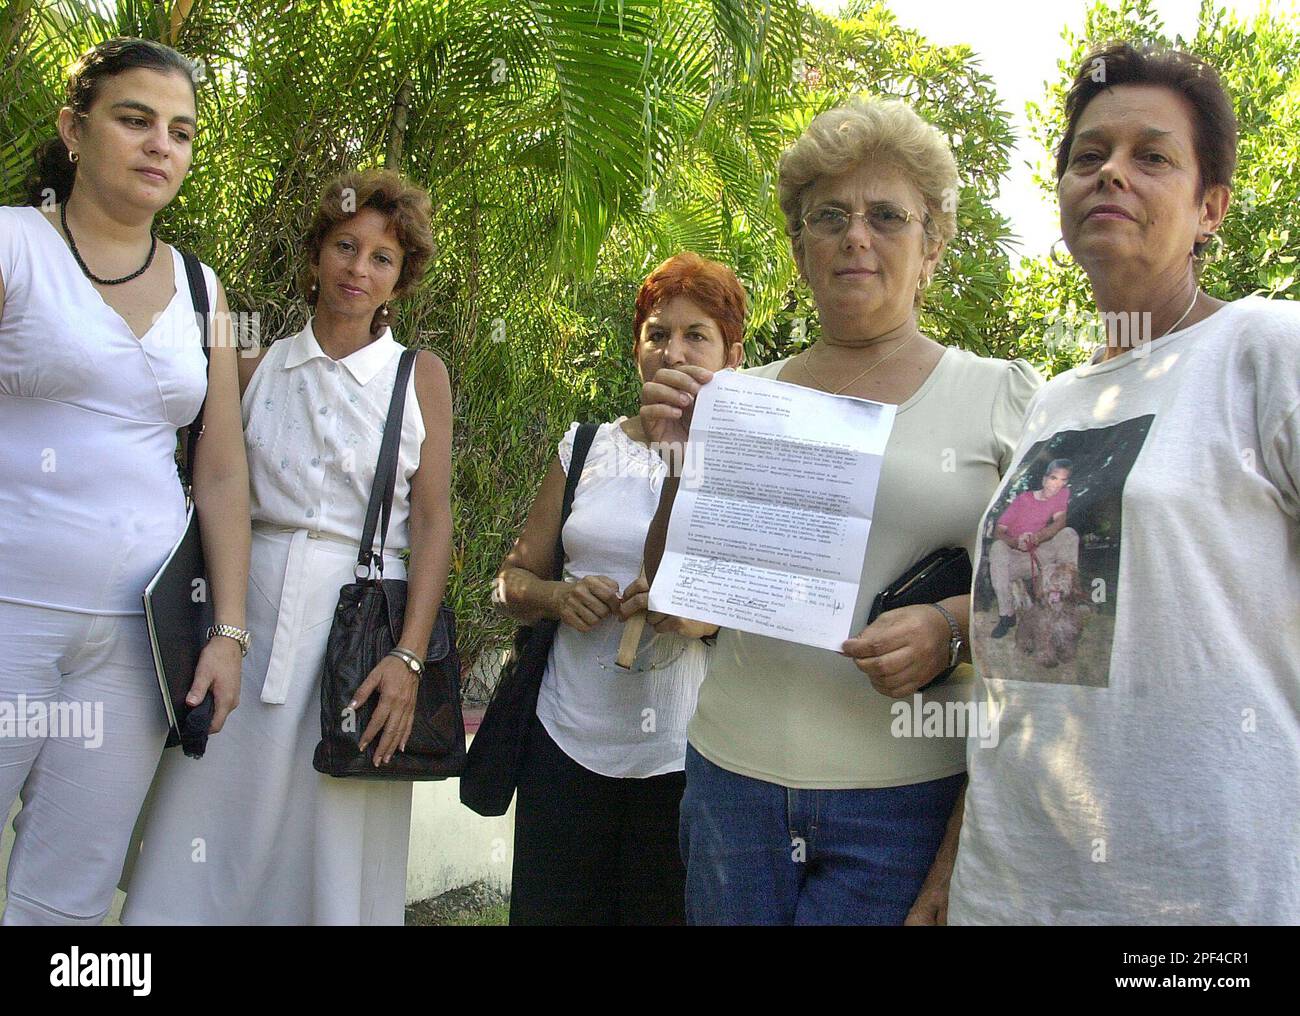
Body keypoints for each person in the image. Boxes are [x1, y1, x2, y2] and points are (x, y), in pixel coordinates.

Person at [639, 98, 1042, 925]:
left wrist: (953, 627)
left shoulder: (1006, 399)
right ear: (799, 248)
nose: (857, 236)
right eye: (831, 216)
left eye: (888, 216)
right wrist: (683, 463)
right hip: (731, 790)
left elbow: (1061, 611)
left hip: (904, 804)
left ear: (932, 247)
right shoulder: (741, 400)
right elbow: (674, 606)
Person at [949, 43, 1300, 924]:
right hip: (1016, 879)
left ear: (1210, 208)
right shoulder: (1056, 402)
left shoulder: (1263, 348)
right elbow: (1031, 653)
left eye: (1153, 156)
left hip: (1205, 890)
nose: (1111, 174)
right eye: (1088, 155)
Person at [121, 169, 452, 925]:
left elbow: (433, 522)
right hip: (249, 602)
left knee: (327, 817)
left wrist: (408, 656)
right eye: (344, 245)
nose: (358, 269)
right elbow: (206, 474)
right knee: (213, 803)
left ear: (402, 281)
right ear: (315, 255)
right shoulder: (256, 364)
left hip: (359, 626)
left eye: (382, 258)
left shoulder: (417, 377)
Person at [0, 37, 249, 926]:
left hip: (138, 641)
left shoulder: (201, 287)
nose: (161, 146)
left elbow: (220, 470)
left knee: (67, 892)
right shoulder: (13, 244)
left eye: (180, 132)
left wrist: (227, 631)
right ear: (74, 129)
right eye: (135, 120)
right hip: (11, 613)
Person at [493, 252, 745, 925]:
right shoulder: (583, 448)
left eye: (698, 335)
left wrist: (685, 616)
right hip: (564, 742)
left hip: (678, 757)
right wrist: (555, 598)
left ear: (734, 356)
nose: (674, 351)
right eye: (658, 332)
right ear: (636, 347)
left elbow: (744, 613)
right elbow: (510, 582)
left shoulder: (744, 467)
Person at [988, 458, 1078, 638]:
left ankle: (1066, 593)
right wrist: (1015, 542)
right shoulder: (1023, 500)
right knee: (998, 546)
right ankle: (1007, 615)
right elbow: (998, 532)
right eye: (1054, 478)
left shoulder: (1062, 493)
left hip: (1039, 554)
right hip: (1014, 558)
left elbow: (1060, 521)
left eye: (1063, 480)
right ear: (1044, 479)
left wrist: (1038, 537)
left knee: (1068, 533)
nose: (1058, 485)